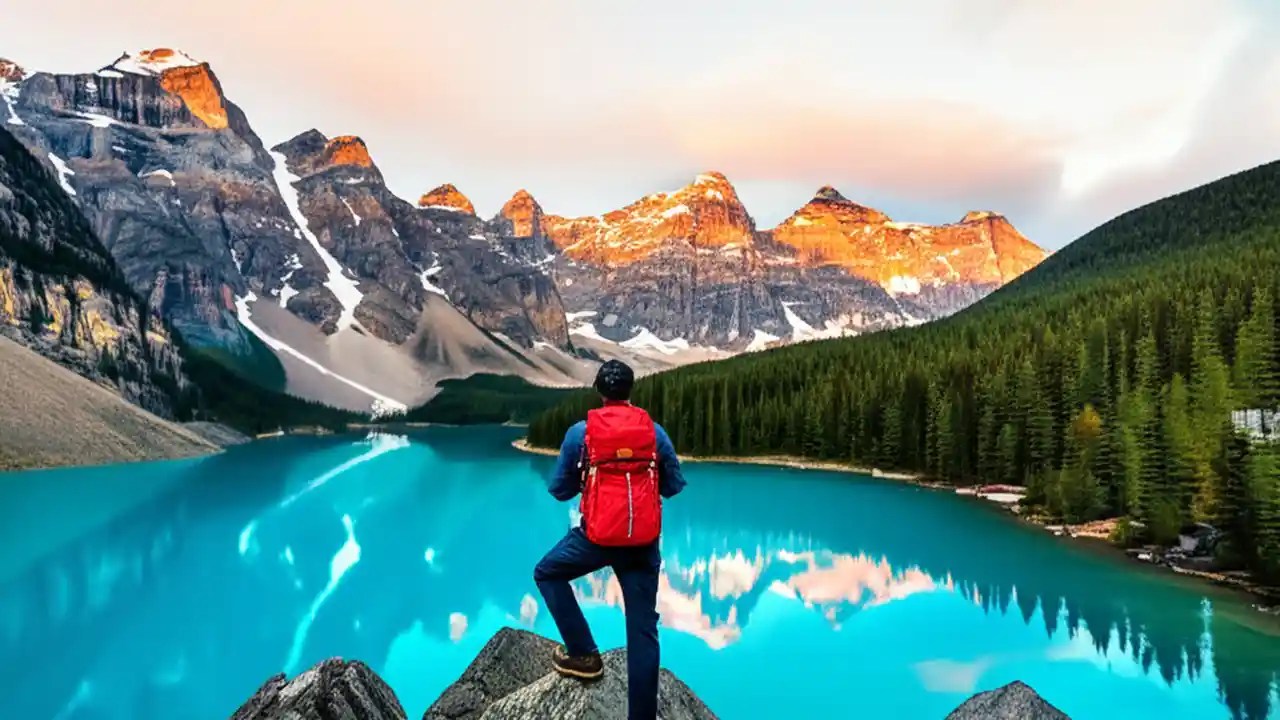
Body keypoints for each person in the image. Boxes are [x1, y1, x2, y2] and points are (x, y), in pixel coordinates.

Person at [533, 359, 686, 720]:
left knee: (547, 573)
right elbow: (674, 485)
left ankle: (584, 654)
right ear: (630, 391)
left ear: (599, 392)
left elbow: (559, 490)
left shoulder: (580, 433)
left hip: (596, 538)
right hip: (642, 544)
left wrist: (589, 482)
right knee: (642, 628)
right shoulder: (654, 432)